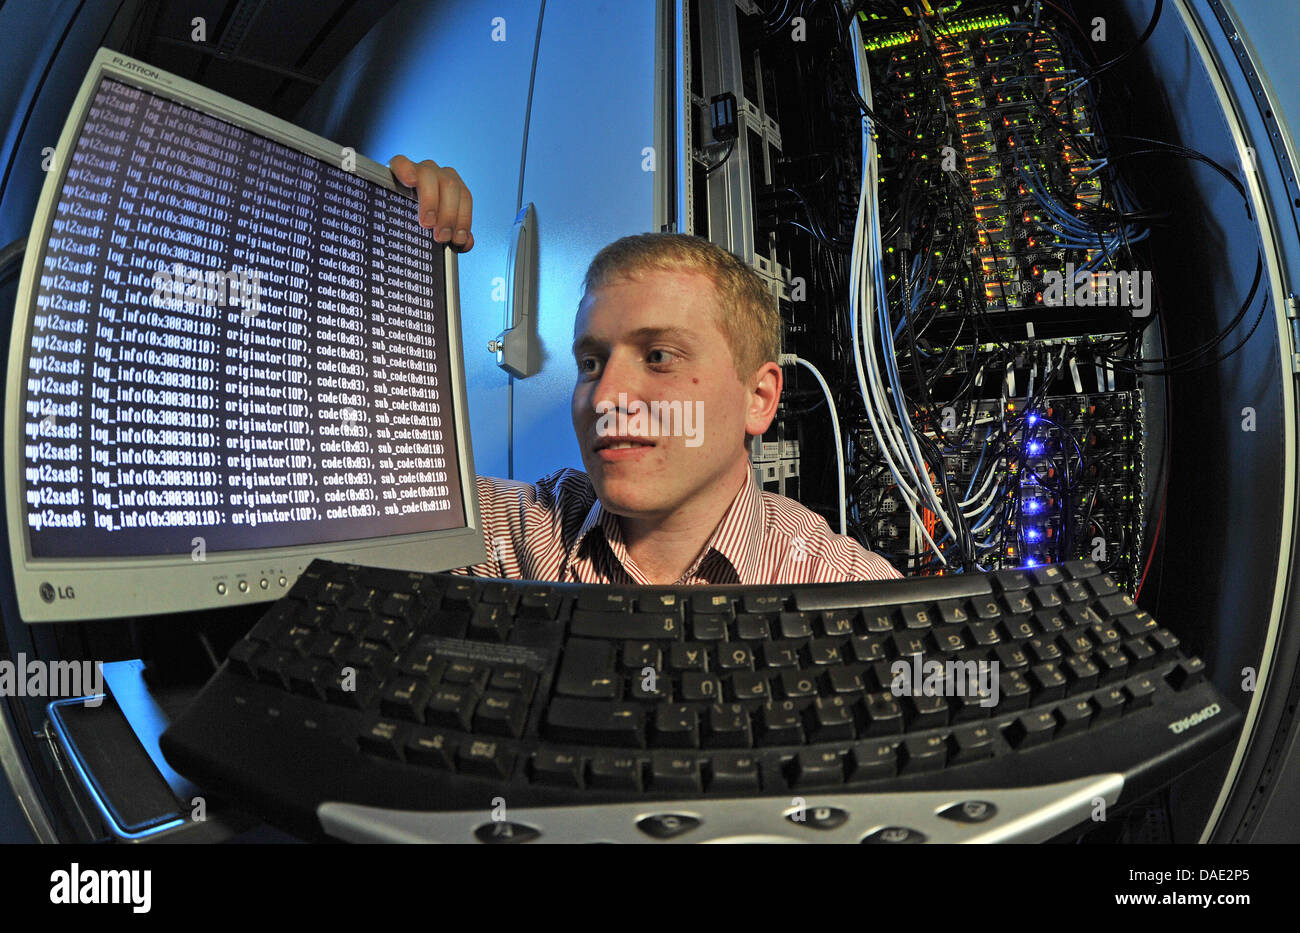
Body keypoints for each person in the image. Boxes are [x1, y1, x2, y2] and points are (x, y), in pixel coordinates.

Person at [389, 155, 900, 585]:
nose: (605, 397)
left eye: (658, 356)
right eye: (591, 363)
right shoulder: (520, 537)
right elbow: (361, 495)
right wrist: (397, 239)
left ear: (759, 398)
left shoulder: (845, 588)